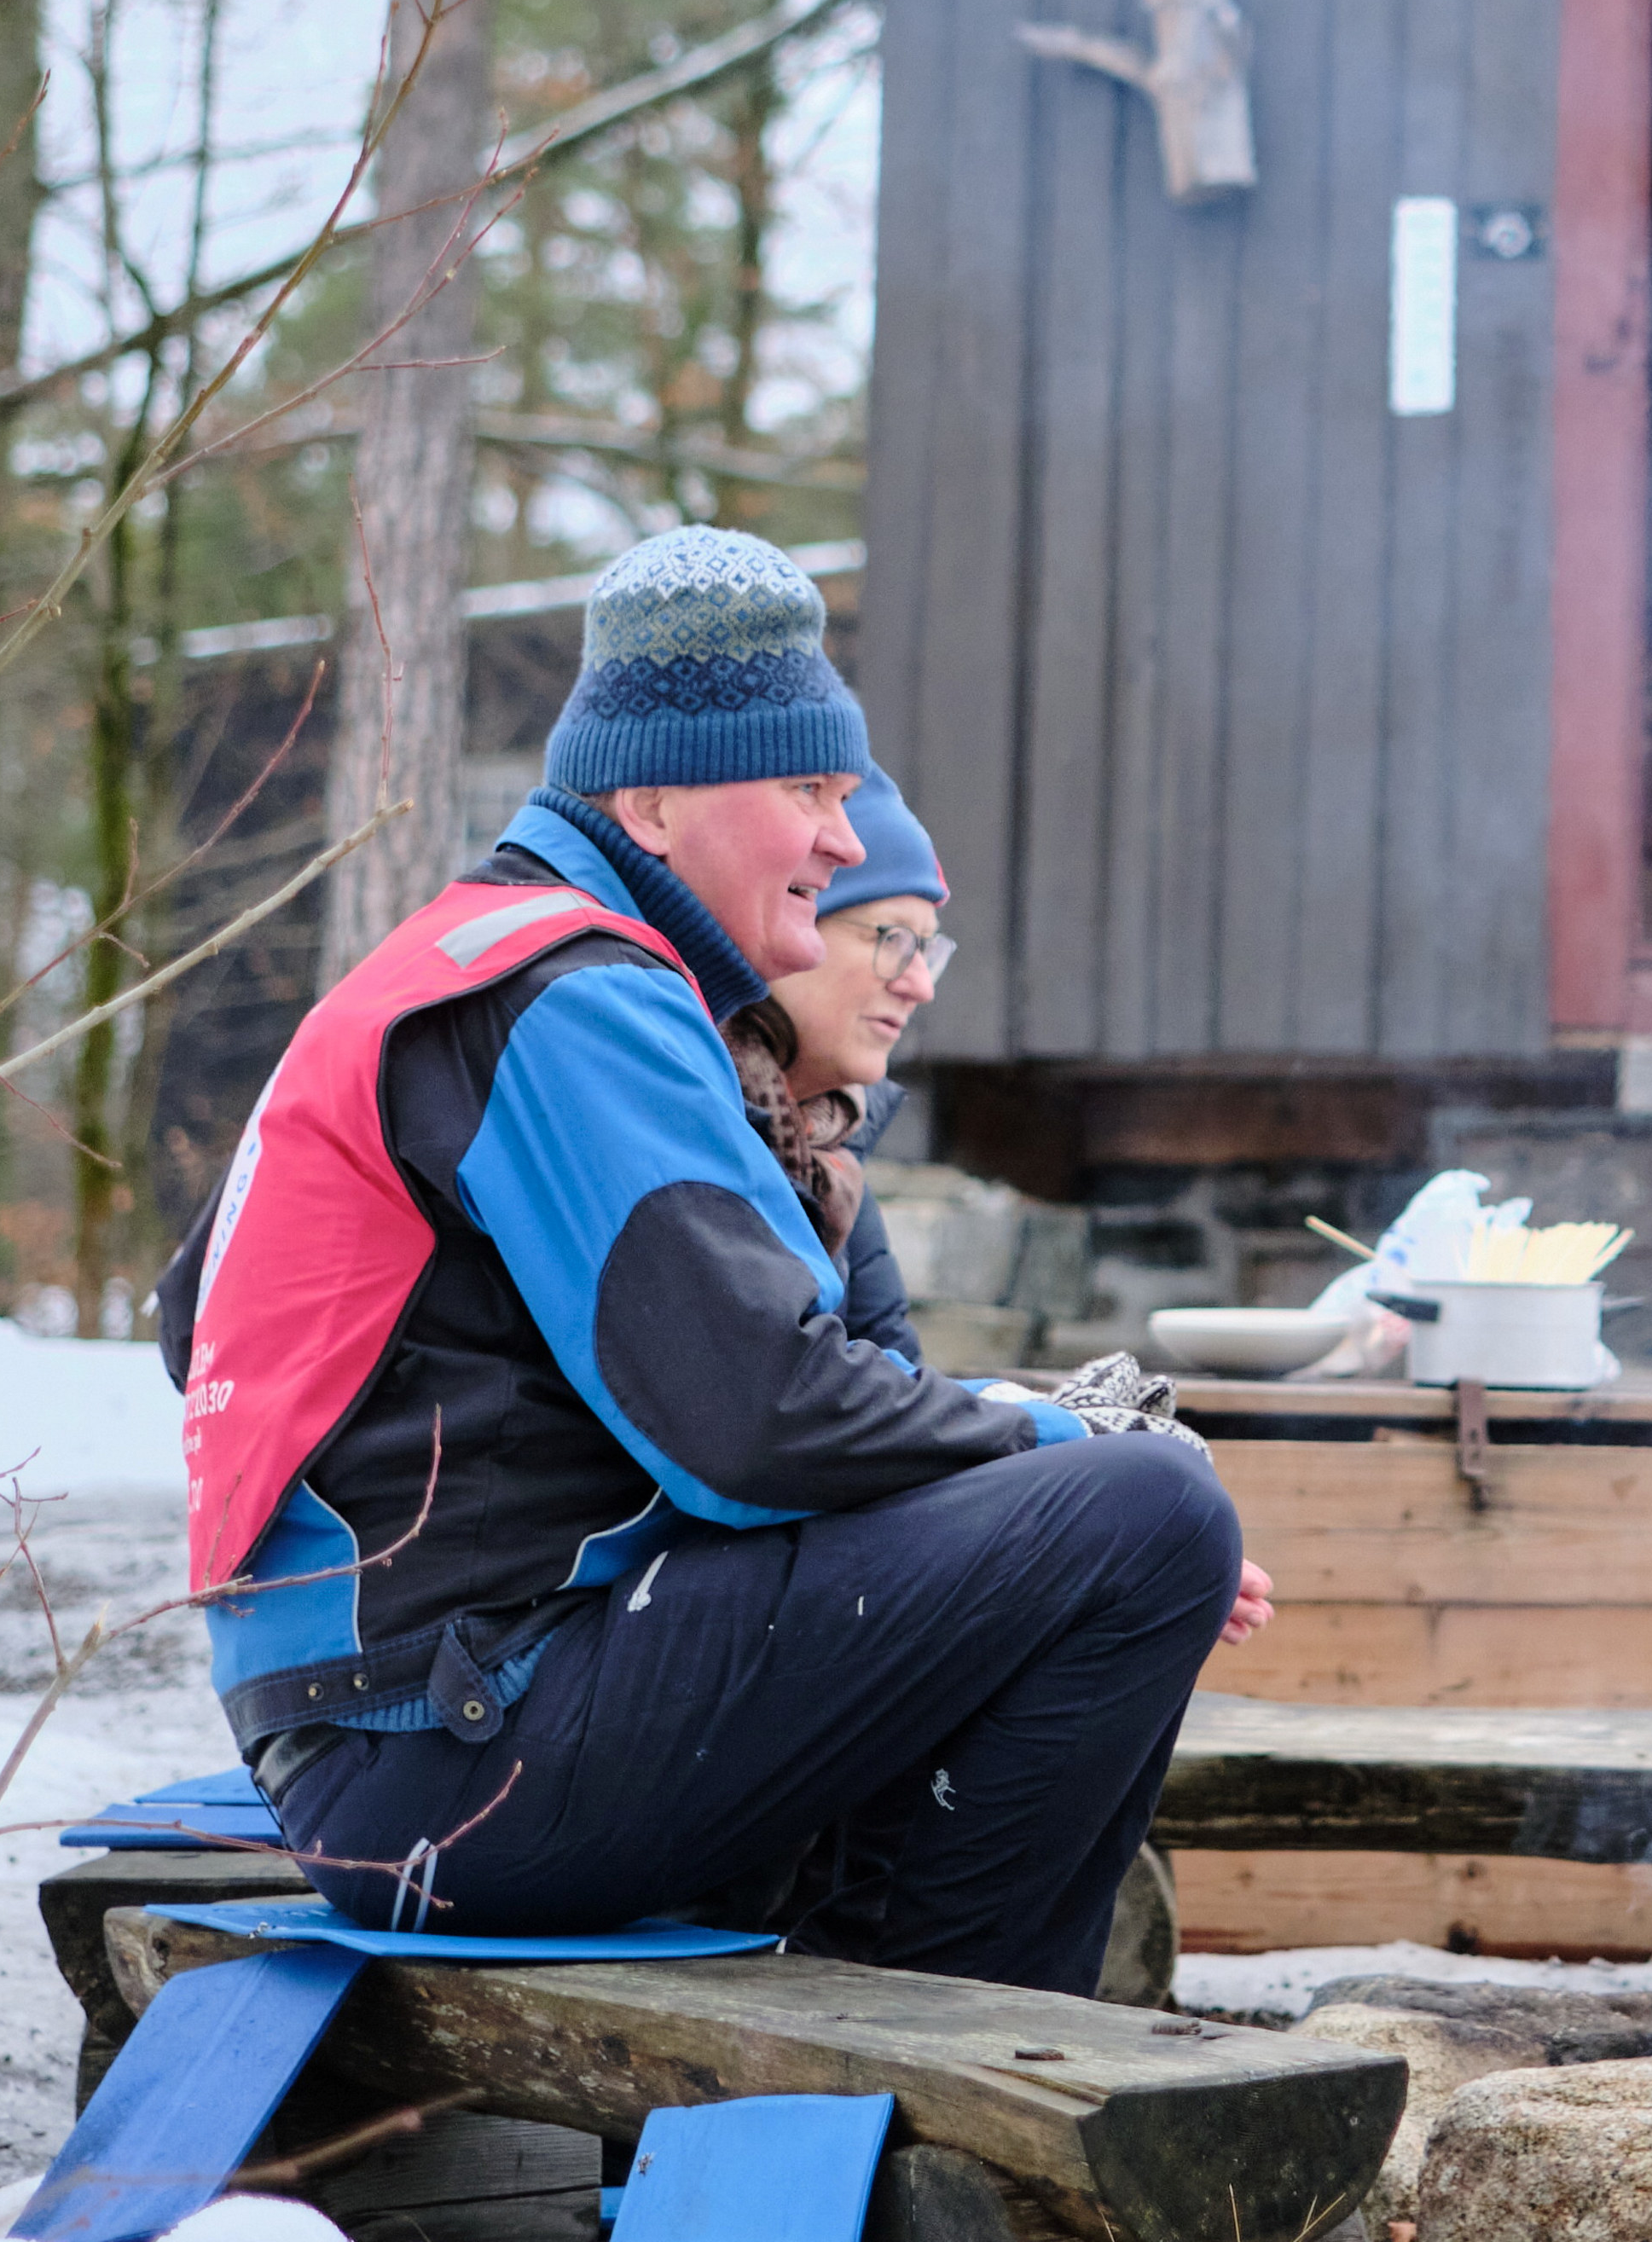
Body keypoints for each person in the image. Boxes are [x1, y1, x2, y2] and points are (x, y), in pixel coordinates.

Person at [154, 528, 1270, 1991]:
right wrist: (1062, 1437)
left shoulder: (458, 963)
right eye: (805, 789)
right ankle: (934, 2058)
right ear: (654, 802)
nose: (838, 835)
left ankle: (901, 2023)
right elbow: (756, 1426)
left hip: (383, 1742)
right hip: (449, 1761)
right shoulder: (578, 996)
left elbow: (193, 1317)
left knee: (1093, 1521)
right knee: (1150, 1517)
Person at [736, 773, 951, 1364]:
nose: (919, 984)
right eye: (895, 939)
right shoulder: (696, 1115)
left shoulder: (830, 1148)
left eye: (929, 951)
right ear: (794, 922)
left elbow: (894, 1377)